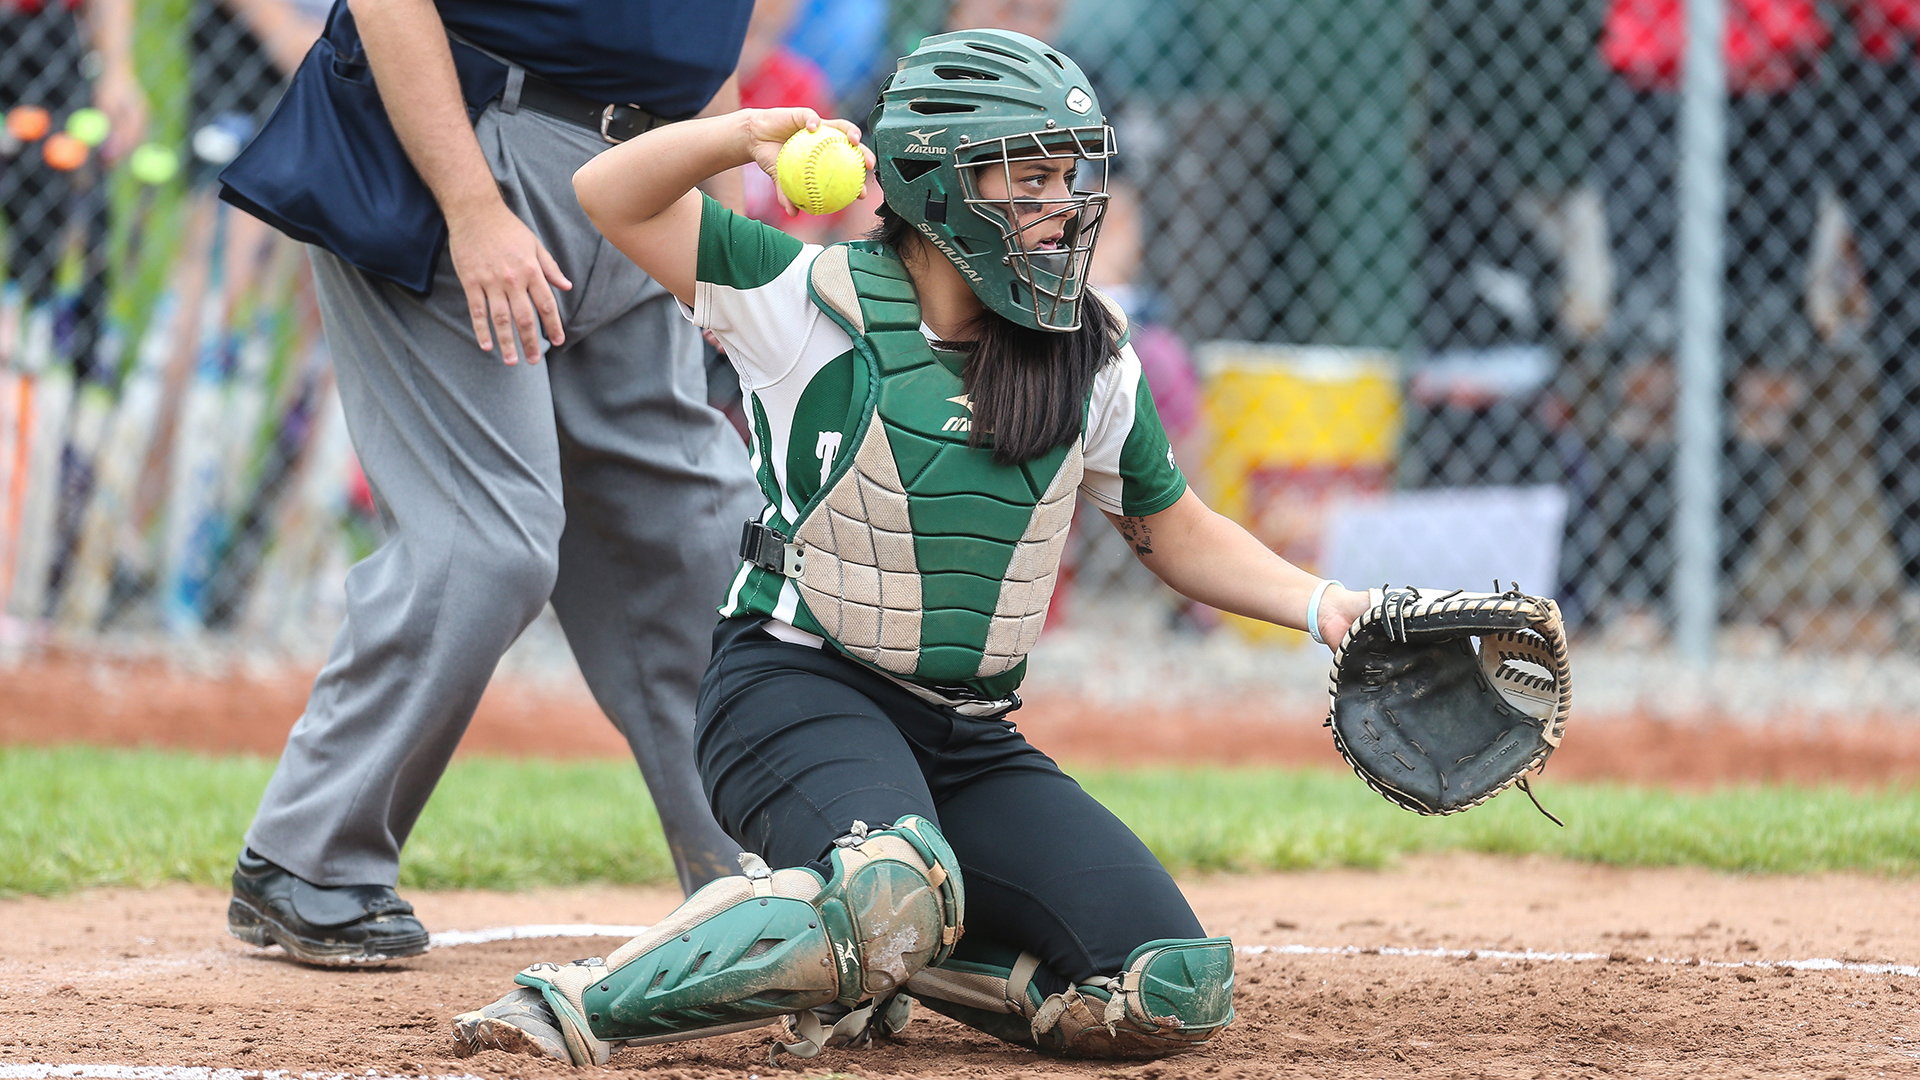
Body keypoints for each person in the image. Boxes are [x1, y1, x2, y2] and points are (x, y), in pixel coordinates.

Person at [448, 29, 1371, 1064]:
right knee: (887, 882)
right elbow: (608, 192)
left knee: (1169, 985)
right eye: (1029, 178)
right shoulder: (801, 296)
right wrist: (744, 136)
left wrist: (1326, 606)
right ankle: (576, 1005)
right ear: (937, 181)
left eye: (1069, 177)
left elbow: (1174, 529)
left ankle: (897, 955)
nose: (1063, 205)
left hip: (966, 734)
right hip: (791, 693)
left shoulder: (1090, 352)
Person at [225, 0, 764, 965]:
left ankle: (753, 868)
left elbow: (700, 39)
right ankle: (306, 858)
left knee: (698, 535)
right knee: (485, 542)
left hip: (642, 184)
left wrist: (724, 248)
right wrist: (471, 208)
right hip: (463, 147)